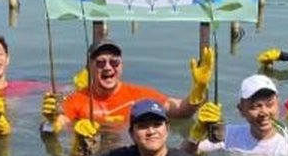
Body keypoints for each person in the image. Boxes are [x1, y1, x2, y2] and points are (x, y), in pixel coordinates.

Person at [44, 39, 213, 131]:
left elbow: (181, 111)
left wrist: (199, 89)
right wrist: (50, 121)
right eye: (101, 63)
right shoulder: (77, 100)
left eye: (114, 62)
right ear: (89, 67)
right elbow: (57, 127)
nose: (108, 67)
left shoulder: (140, 95)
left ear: (122, 66)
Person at [69, 99, 210, 156]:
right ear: (132, 134)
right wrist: (77, 150)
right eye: (142, 126)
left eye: (157, 125)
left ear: (167, 130)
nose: (151, 131)